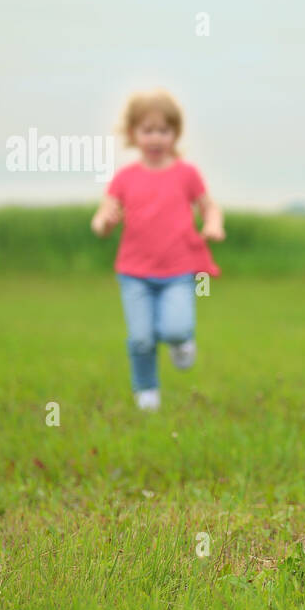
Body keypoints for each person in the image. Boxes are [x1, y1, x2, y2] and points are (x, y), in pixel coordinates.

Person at [91, 90, 224, 411]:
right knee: (141, 338)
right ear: (133, 134)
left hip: (177, 270)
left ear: (175, 134)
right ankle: (146, 391)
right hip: (134, 273)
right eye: (147, 130)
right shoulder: (125, 178)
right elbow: (101, 219)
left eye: (163, 131)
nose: (155, 138)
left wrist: (214, 225)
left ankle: (181, 343)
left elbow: (209, 206)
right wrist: (105, 222)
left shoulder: (186, 174)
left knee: (175, 327)